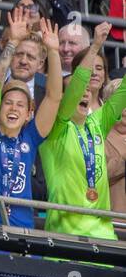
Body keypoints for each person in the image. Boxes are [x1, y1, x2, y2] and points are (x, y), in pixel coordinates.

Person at [0, 18, 63, 228]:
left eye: (20, 105)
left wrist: (54, 52)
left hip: (23, 232)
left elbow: (53, 97)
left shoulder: (30, 137)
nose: (13, 108)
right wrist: (12, 43)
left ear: (29, 113)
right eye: (8, 103)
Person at [41, 22, 126, 239]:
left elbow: (123, 92)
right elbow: (77, 84)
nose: (85, 92)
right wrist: (96, 45)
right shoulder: (57, 128)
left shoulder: (97, 123)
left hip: (104, 233)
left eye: (88, 89)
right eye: (78, 89)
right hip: (65, 233)